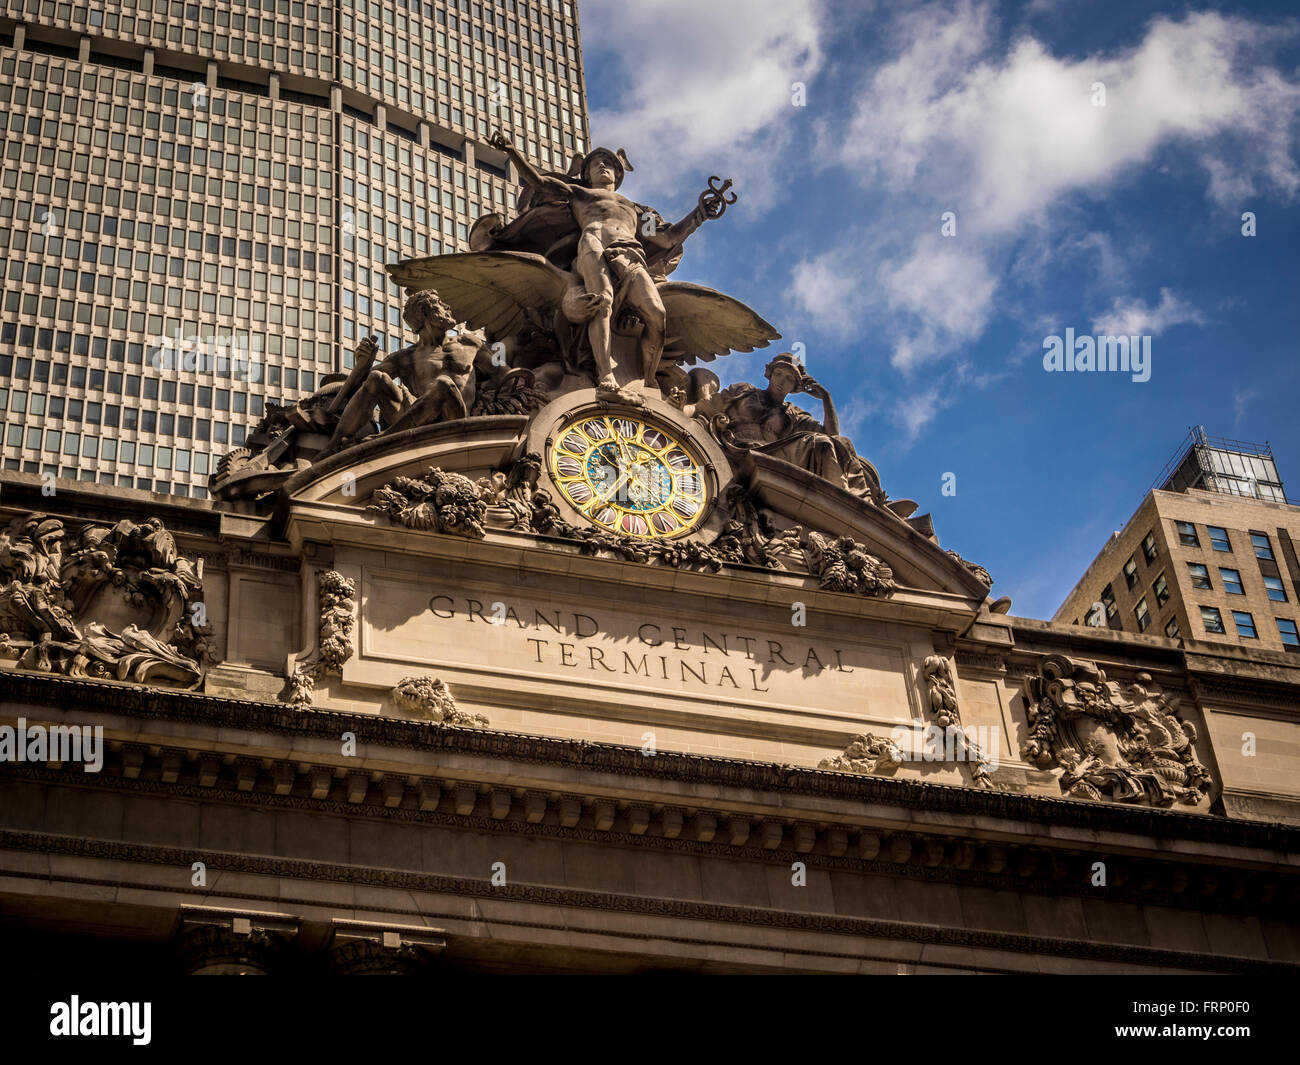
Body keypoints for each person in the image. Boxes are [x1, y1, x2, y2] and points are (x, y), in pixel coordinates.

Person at [487, 131, 711, 404]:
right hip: (592, 245)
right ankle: (607, 377)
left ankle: (649, 380)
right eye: (596, 164)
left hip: (629, 253)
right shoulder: (581, 195)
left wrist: (699, 215)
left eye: (609, 164)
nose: (603, 167)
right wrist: (511, 151)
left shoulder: (637, 210)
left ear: (618, 175)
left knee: (656, 313)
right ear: (587, 173)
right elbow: (540, 182)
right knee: (602, 302)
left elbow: (667, 238)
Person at [702, 353, 883, 501]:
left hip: (771, 454)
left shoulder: (792, 413)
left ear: (796, 386)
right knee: (824, 442)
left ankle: (850, 501)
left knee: (828, 443)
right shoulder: (744, 390)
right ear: (770, 373)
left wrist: (826, 398)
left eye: (789, 379)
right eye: (779, 374)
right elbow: (707, 406)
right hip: (735, 445)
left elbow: (833, 435)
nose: (781, 381)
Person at [322, 289, 481, 455]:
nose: (448, 307)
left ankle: (383, 440)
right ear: (426, 313)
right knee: (377, 377)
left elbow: (504, 374)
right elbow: (362, 387)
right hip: (417, 422)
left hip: (453, 421)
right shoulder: (405, 357)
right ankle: (332, 447)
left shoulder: (470, 343)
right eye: (440, 304)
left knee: (444, 384)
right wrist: (364, 365)